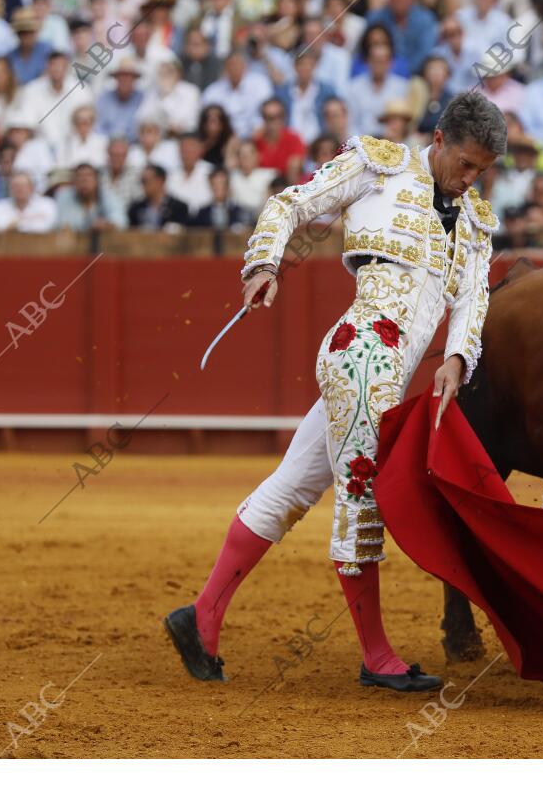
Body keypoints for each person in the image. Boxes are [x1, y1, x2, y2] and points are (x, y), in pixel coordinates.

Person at [165, 92, 506, 694]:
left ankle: (201, 617)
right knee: (361, 498)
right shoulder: (380, 166)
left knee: (290, 489)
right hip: (363, 354)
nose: (471, 178)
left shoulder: (475, 221)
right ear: (439, 139)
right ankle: (376, 655)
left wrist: (457, 357)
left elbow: (473, 300)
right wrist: (263, 264)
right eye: (466, 164)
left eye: (482, 170)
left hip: (384, 369)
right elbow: (289, 202)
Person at [55, 161, 126, 231]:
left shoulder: (109, 196)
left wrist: (107, 225)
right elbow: (62, 224)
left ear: (97, 181)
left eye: (89, 176)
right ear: (73, 182)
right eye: (79, 176)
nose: (84, 180)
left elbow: (120, 221)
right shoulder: (63, 196)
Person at [128, 164, 188, 229]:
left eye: (146, 181)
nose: (143, 185)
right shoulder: (136, 209)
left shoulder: (178, 208)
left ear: (160, 181)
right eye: (142, 181)